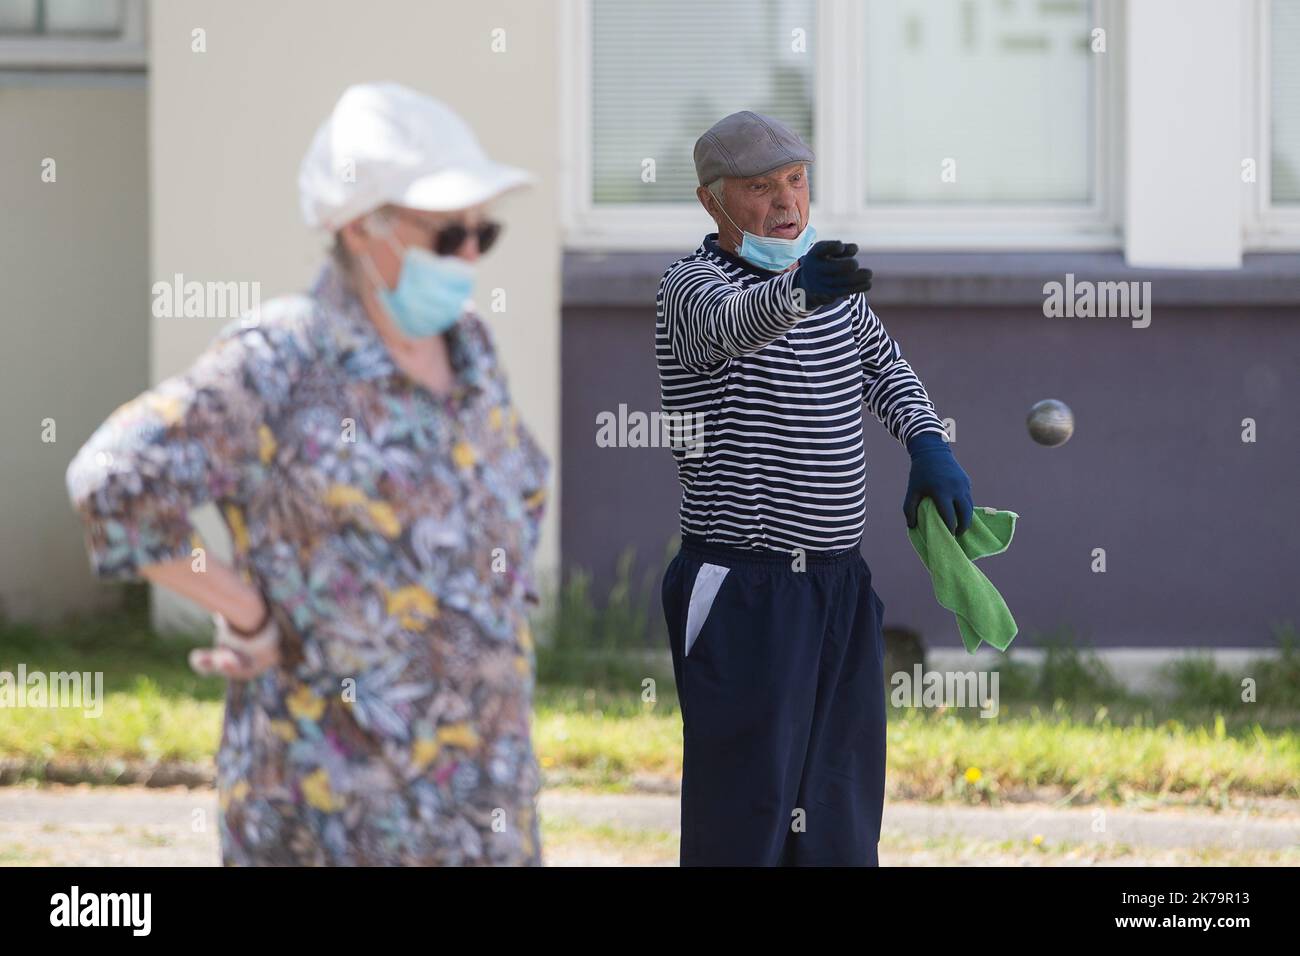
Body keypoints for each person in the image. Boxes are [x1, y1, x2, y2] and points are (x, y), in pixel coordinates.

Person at [65, 82, 550, 866]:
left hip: (481, 807)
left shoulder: (472, 350)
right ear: (365, 228)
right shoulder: (283, 359)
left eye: (482, 234)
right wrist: (244, 609)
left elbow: (520, 484)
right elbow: (115, 481)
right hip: (331, 815)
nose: (469, 254)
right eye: (450, 232)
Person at [655, 110, 974, 866]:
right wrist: (800, 290)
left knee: (838, 809)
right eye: (760, 188)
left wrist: (928, 443)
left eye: (796, 181)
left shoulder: (833, 287)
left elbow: (884, 366)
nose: (787, 203)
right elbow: (733, 325)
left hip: (836, 585)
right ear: (713, 202)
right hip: (743, 588)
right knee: (747, 815)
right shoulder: (690, 289)